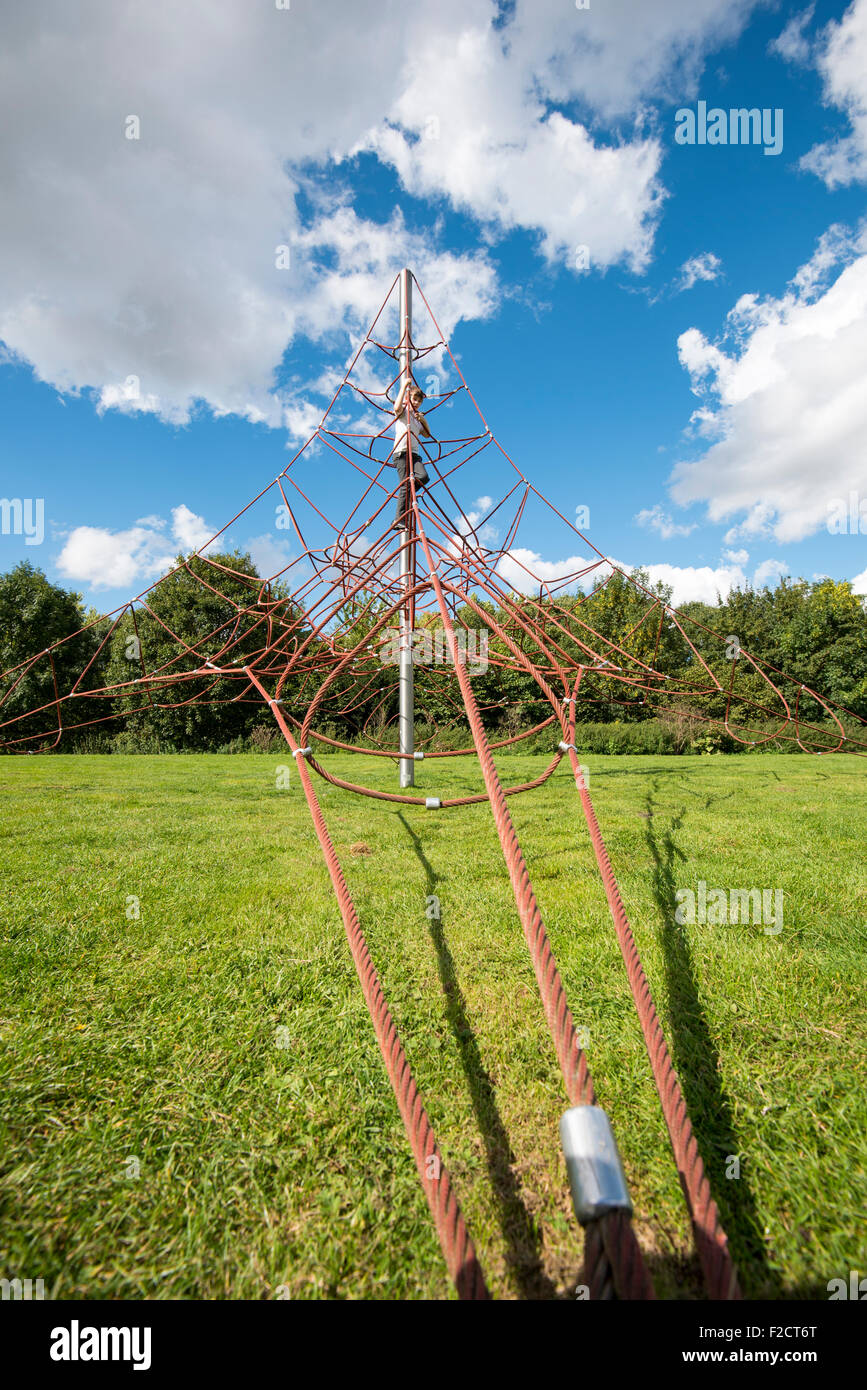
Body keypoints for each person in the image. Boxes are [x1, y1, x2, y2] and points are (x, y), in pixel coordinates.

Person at [391, 379, 433, 528]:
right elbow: (396, 407)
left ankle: (408, 498)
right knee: (405, 484)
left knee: (423, 477)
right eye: (414, 399)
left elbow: (427, 434)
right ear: (408, 398)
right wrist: (403, 387)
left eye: (419, 401)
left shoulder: (416, 418)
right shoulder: (404, 412)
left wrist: (423, 420)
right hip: (401, 453)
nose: (416, 403)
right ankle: (398, 519)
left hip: (414, 455)